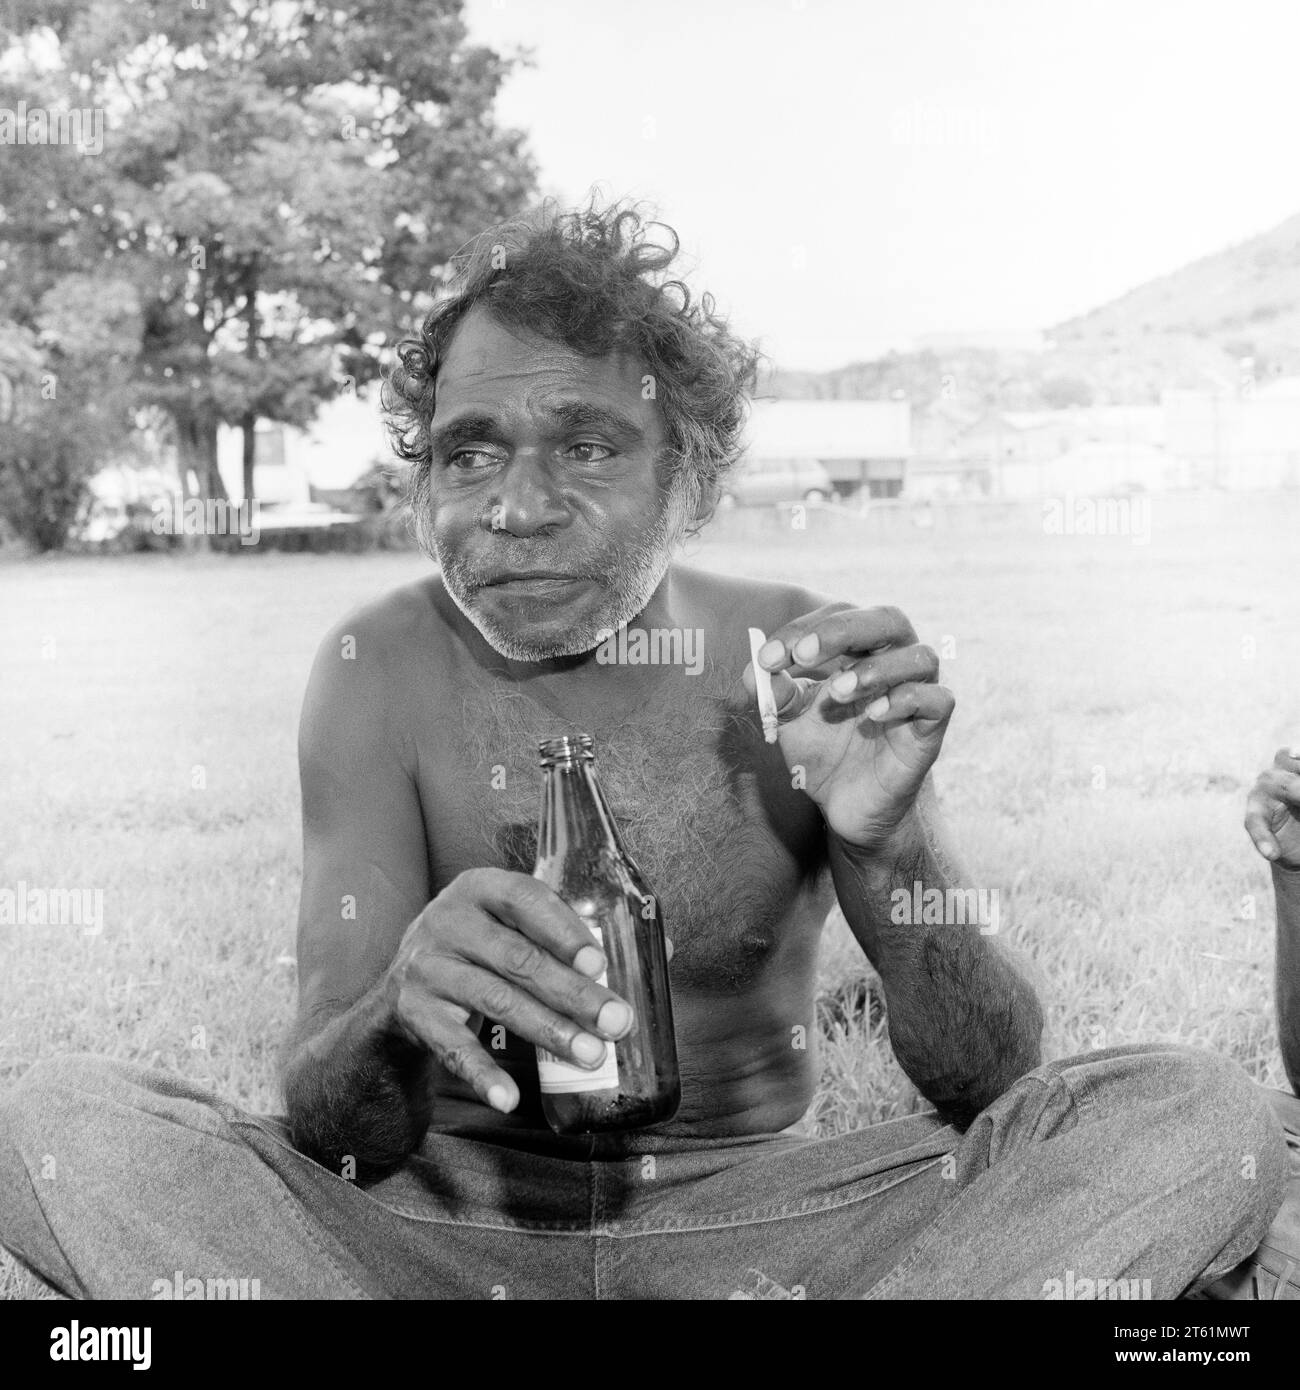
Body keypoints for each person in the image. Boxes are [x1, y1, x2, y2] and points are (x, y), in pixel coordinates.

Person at [0, 201, 1287, 1300]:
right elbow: (337, 1125)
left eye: (587, 445)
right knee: (52, 1127)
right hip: (432, 1235)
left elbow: (986, 1075)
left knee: (1191, 1119)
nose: (515, 508)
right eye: (470, 454)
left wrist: (887, 840)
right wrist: (397, 1003)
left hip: (765, 1230)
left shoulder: (793, 664)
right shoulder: (371, 669)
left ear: (692, 473)